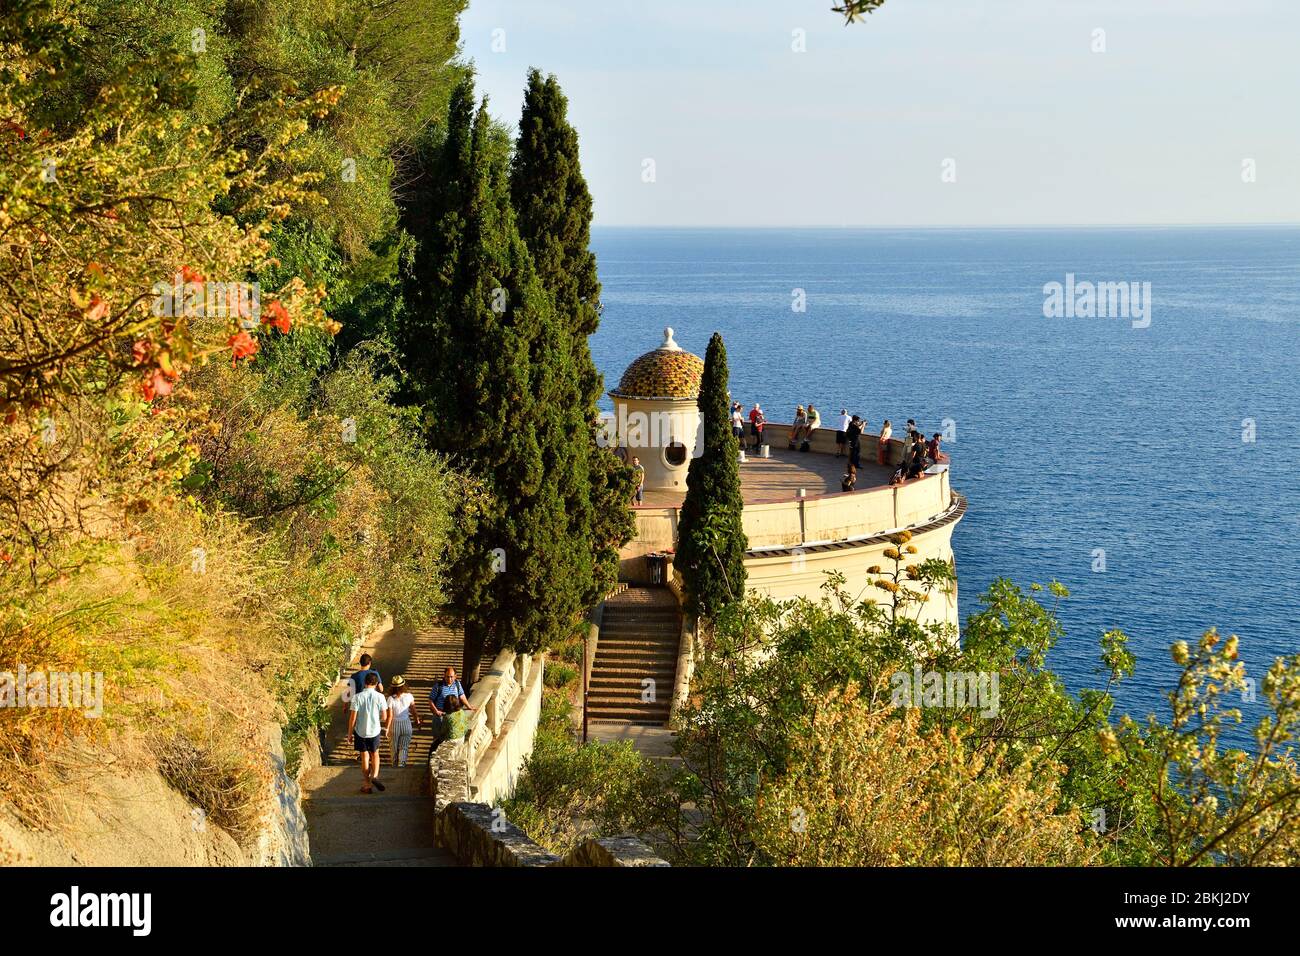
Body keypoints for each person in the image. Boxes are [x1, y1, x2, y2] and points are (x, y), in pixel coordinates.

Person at [348, 672, 390, 794]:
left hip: (361, 732)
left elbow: (352, 718)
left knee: (365, 757)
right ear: (376, 684)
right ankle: (375, 776)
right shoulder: (380, 697)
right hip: (375, 731)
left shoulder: (357, 697)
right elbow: (384, 716)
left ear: (365, 683)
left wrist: (350, 734)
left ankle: (367, 784)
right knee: (375, 754)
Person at [429, 666, 474, 741]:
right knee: (437, 738)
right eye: (447, 677)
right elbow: (430, 700)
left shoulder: (457, 684)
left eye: (451, 677)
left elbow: (462, 696)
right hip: (440, 716)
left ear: (455, 676)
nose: (449, 679)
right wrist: (436, 711)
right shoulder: (438, 686)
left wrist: (469, 706)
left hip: (453, 716)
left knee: (449, 736)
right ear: (444, 675)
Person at [387, 675, 420, 768]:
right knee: (404, 746)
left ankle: (394, 763)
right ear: (403, 685)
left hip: (394, 724)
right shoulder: (409, 696)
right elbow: (413, 710)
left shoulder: (390, 699)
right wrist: (417, 720)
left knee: (393, 746)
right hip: (406, 723)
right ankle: (402, 763)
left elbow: (390, 716)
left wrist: (387, 728)